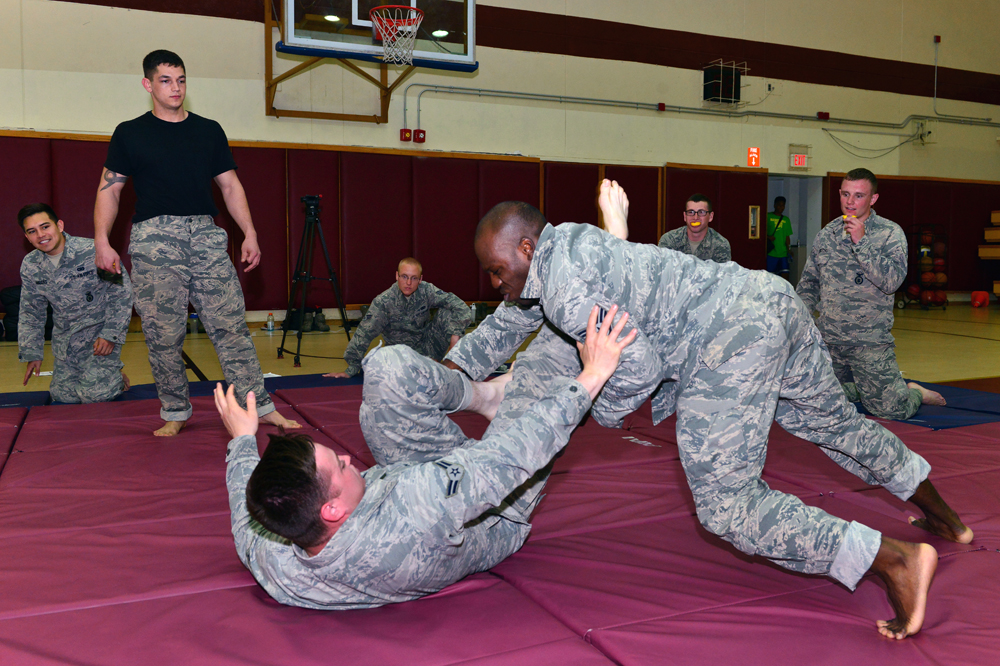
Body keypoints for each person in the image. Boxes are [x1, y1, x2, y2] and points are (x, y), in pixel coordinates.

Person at [443, 179, 972, 640]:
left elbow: (639, 366)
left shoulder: (561, 292)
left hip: (728, 341)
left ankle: (896, 562)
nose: (494, 283)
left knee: (726, 505)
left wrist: (594, 402)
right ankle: (946, 518)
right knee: (835, 423)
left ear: (528, 247)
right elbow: (510, 318)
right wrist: (452, 368)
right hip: (768, 299)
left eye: (496, 270)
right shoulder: (575, 240)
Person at [218, 304, 635, 609]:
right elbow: (510, 456)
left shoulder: (277, 555)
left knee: (386, 365)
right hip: (493, 503)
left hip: (409, 477)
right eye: (339, 466)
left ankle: (485, 395)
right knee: (555, 354)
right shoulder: (414, 516)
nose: (347, 458)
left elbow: (246, 514)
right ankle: (603, 283)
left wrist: (242, 439)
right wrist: (592, 376)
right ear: (331, 510)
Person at [92, 49, 299, 436]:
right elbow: (110, 190)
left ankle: (259, 405)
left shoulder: (208, 130)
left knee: (231, 326)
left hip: (205, 236)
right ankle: (175, 409)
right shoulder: (130, 133)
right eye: (166, 80)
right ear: (147, 84)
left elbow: (230, 186)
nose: (175, 88)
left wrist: (249, 232)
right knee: (162, 333)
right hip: (154, 239)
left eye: (181, 79)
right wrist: (102, 240)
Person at [796, 168, 945, 420]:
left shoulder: (889, 233)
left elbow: (892, 282)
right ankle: (862, 389)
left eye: (858, 196)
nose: (850, 202)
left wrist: (862, 242)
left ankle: (913, 391)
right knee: (810, 406)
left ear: (873, 199)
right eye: (845, 194)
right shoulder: (827, 235)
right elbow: (809, 283)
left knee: (893, 411)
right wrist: (798, 319)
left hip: (869, 341)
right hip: (830, 340)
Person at [17, 203, 132, 403]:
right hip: (66, 345)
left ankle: (112, 376)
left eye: (45, 226)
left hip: (100, 341)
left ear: (59, 225)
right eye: (32, 231)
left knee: (93, 397)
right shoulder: (30, 265)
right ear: (27, 237)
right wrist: (32, 353)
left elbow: (121, 293)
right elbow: (31, 312)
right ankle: (106, 376)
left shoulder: (94, 251)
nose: (41, 235)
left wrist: (111, 335)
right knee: (64, 399)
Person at [324, 257, 473, 379]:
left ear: (421, 279)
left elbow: (461, 307)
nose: (408, 283)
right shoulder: (384, 301)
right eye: (404, 277)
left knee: (448, 312)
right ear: (397, 276)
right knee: (386, 368)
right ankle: (431, 367)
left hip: (427, 347)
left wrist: (454, 342)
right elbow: (365, 333)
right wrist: (351, 368)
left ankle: (448, 364)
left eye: (414, 278)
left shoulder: (427, 291)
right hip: (399, 355)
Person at [657, 194, 731, 263]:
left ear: (710, 216)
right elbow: (663, 272)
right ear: (685, 216)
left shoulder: (720, 244)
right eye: (691, 212)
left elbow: (723, 275)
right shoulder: (669, 240)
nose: (695, 218)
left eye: (701, 212)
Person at [766, 196, 793, 280]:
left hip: (783, 253)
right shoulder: (768, 216)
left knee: (785, 276)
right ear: (774, 205)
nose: (781, 207)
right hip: (771, 253)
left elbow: (787, 236)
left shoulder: (786, 220)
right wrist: (768, 237)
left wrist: (789, 249)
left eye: (783, 205)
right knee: (770, 277)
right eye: (779, 205)